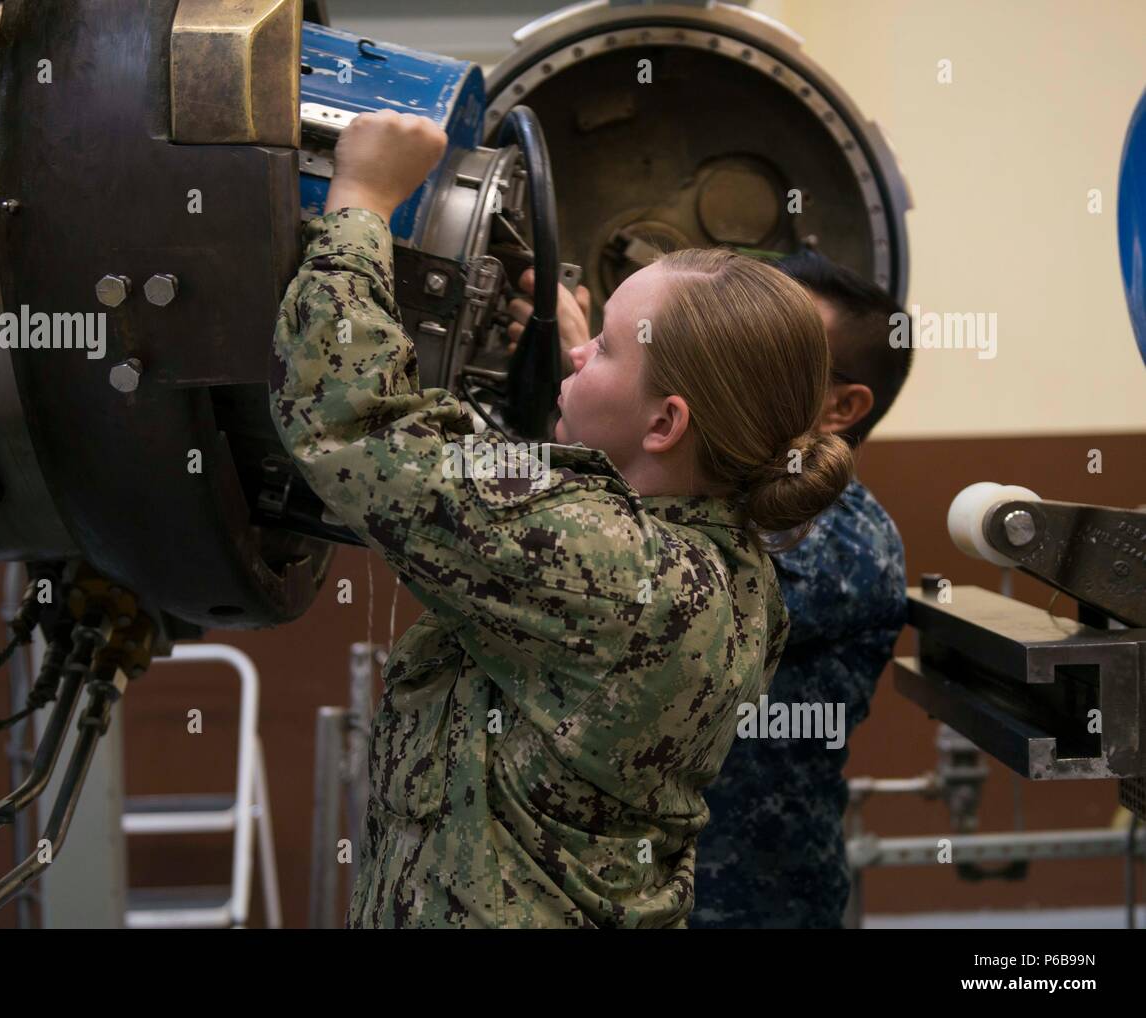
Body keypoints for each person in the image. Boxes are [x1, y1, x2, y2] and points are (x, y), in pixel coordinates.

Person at [269, 110, 854, 927]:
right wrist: (592, 363)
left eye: (606, 349)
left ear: (664, 424)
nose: (581, 355)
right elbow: (535, 507)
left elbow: (355, 430)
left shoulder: (611, 567)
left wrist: (360, 201)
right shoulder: (730, 567)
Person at [689, 248, 911, 929]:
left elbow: (676, 591)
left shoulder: (847, 543)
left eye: (774, 348)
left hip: (752, 905)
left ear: (841, 406)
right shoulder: (713, 498)